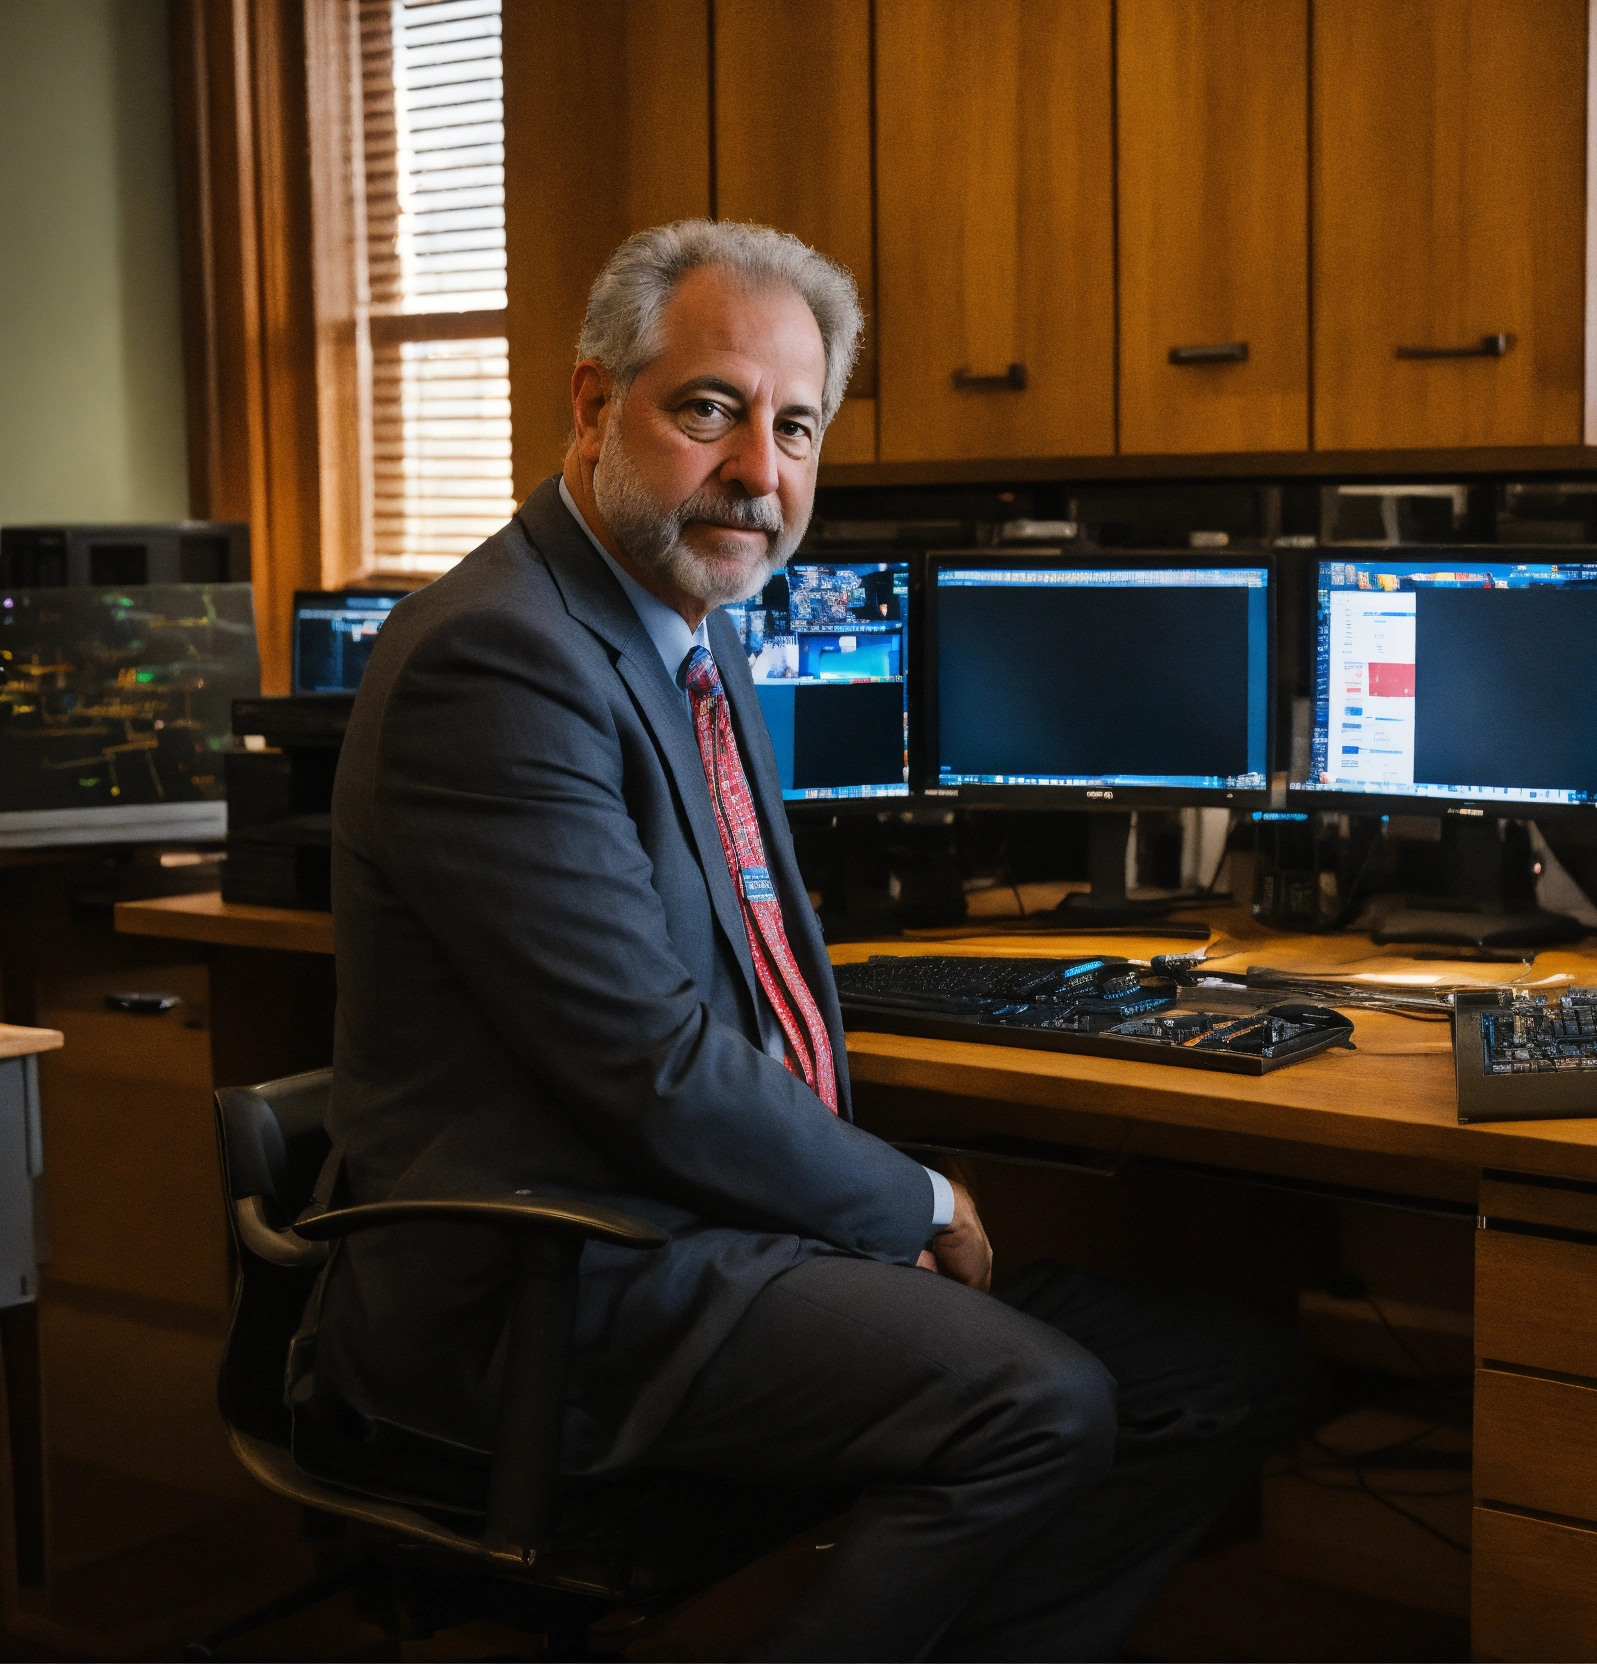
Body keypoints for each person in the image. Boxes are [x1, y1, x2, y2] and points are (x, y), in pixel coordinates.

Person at [320, 219, 1309, 1660]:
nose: (759, 472)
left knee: (1228, 1372)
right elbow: (647, 1068)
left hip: (718, 1228)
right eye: (710, 409)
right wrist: (908, 1206)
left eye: (796, 427)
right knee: (1037, 1400)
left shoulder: (688, 628)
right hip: (561, 1283)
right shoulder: (505, 659)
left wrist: (847, 1209)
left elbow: (743, 991)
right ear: (596, 405)